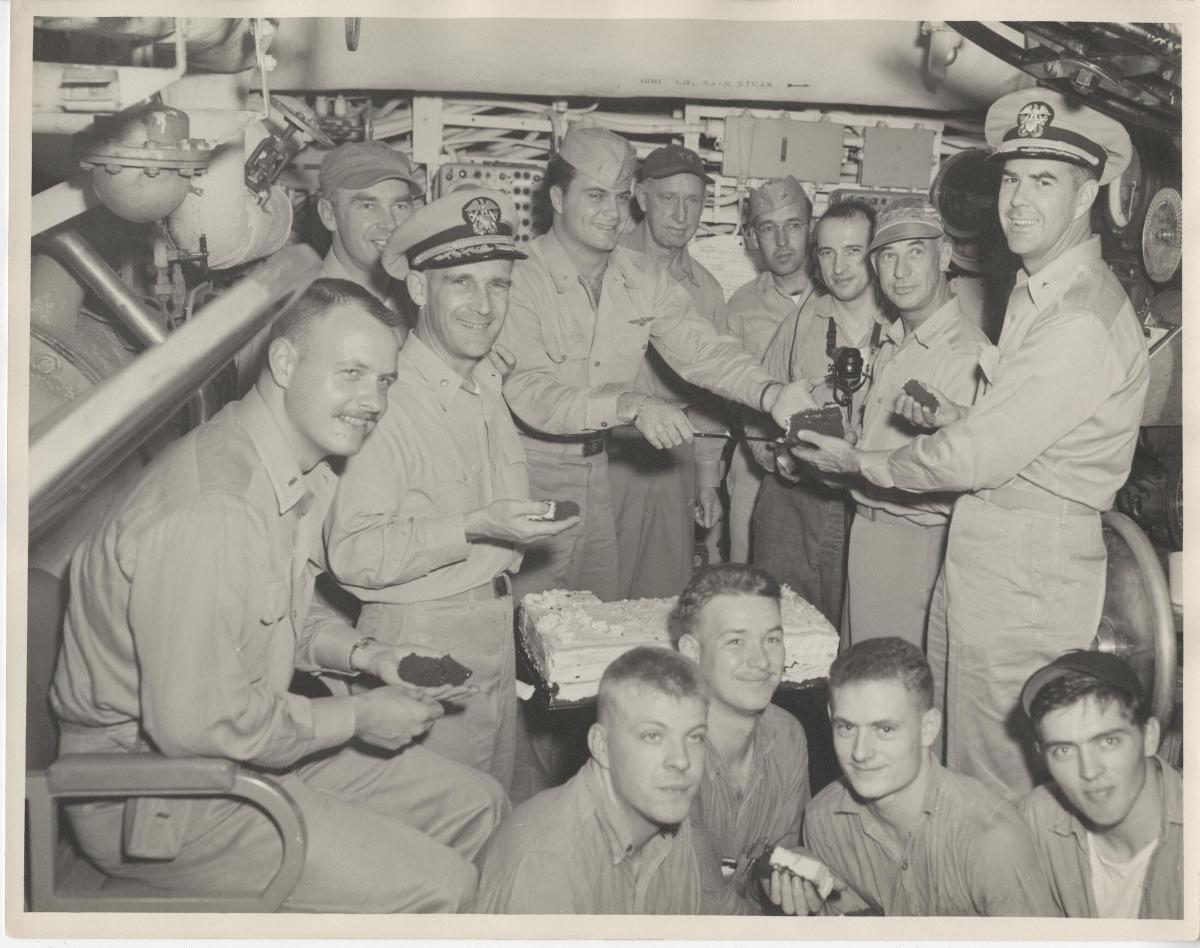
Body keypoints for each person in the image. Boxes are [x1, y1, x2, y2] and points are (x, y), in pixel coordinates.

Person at [49, 278, 508, 912]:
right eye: (350, 372)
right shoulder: (217, 507)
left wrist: (369, 657)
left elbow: (270, 617)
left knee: (481, 804)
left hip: (237, 745)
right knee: (443, 887)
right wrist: (357, 716)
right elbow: (198, 726)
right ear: (286, 363)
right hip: (154, 790)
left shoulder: (289, 469)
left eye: (384, 380)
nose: (371, 401)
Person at [790, 89, 1150, 798]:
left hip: (1027, 568)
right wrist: (960, 412)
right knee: (956, 756)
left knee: (996, 779)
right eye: (1011, 178)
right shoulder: (1037, 291)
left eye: (1044, 181)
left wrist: (860, 462)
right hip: (991, 556)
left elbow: (978, 457)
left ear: (1086, 198)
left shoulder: (1077, 316)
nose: (1016, 200)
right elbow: (1026, 426)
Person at [497, 124, 818, 604]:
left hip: (601, 471)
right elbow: (534, 393)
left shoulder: (642, 277)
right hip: (532, 478)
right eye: (596, 196)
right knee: (527, 632)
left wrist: (771, 393)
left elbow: (702, 349)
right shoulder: (517, 276)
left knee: (597, 624)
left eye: (620, 197)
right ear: (559, 198)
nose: (612, 213)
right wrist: (632, 405)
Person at [324, 191, 578, 793]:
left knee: (492, 811)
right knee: (435, 835)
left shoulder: (483, 380)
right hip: (420, 639)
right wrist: (474, 525)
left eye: (498, 284)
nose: (484, 305)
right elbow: (353, 554)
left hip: (490, 626)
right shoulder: (388, 400)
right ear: (417, 290)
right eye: (461, 283)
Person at [475, 647, 752, 914]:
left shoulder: (670, 822)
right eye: (653, 735)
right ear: (602, 746)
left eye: (695, 736)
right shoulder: (548, 867)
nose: (681, 760)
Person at [802, 637, 1060, 917]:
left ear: (928, 728)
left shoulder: (992, 841)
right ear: (830, 718)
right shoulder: (823, 820)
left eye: (885, 729)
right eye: (846, 728)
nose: (860, 752)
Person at [843, 199, 991, 648]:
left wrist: (851, 460)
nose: (900, 271)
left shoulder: (966, 354)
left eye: (915, 252)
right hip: (869, 533)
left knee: (890, 695)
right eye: (888, 256)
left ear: (944, 257)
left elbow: (960, 472)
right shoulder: (895, 339)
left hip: (915, 545)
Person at [749, 195, 888, 628]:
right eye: (827, 252)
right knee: (779, 631)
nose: (839, 267)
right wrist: (777, 457)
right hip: (794, 506)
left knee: (856, 639)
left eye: (853, 251)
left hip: (869, 507)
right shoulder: (800, 324)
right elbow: (756, 412)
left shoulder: (906, 328)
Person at [609, 144, 730, 598]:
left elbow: (711, 397)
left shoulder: (707, 290)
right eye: (668, 199)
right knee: (591, 599)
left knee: (661, 600)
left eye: (693, 201)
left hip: (672, 460)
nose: (682, 214)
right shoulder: (602, 265)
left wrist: (706, 479)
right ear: (641, 196)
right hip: (605, 451)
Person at [669, 564, 815, 906]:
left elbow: (776, 861)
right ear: (692, 653)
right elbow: (706, 908)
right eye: (736, 640)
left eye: (772, 639)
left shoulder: (787, 736)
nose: (761, 660)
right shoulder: (670, 754)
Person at [1019, 651, 1183, 918]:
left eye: (1108, 741)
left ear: (1149, 737)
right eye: (1064, 750)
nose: (1089, 771)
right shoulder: (1038, 817)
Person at [722, 177, 819, 564]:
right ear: (752, 236)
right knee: (748, 583)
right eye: (768, 228)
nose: (781, 242)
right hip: (755, 470)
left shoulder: (842, 297)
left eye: (793, 226)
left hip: (826, 475)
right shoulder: (741, 306)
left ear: (811, 228)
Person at [316, 140, 424, 322]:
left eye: (399, 205)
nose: (390, 224)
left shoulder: (419, 299)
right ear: (329, 215)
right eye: (367, 206)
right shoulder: (298, 310)